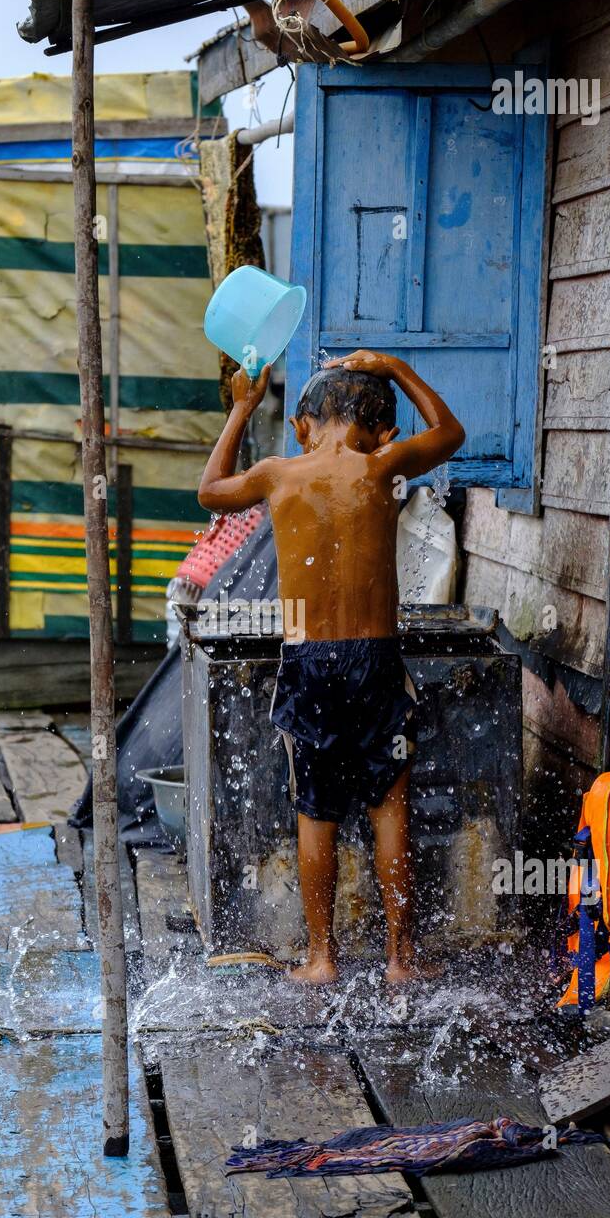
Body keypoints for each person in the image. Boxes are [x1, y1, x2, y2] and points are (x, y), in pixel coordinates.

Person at [198, 350, 465, 984]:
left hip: (306, 659)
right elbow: (452, 434)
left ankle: (321, 958)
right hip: (374, 656)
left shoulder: (276, 473)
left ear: (302, 425)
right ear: (384, 431)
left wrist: (241, 406)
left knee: (315, 808)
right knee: (389, 803)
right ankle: (401, 959)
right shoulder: (385, 464)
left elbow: (209, 491)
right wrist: (397, 367)